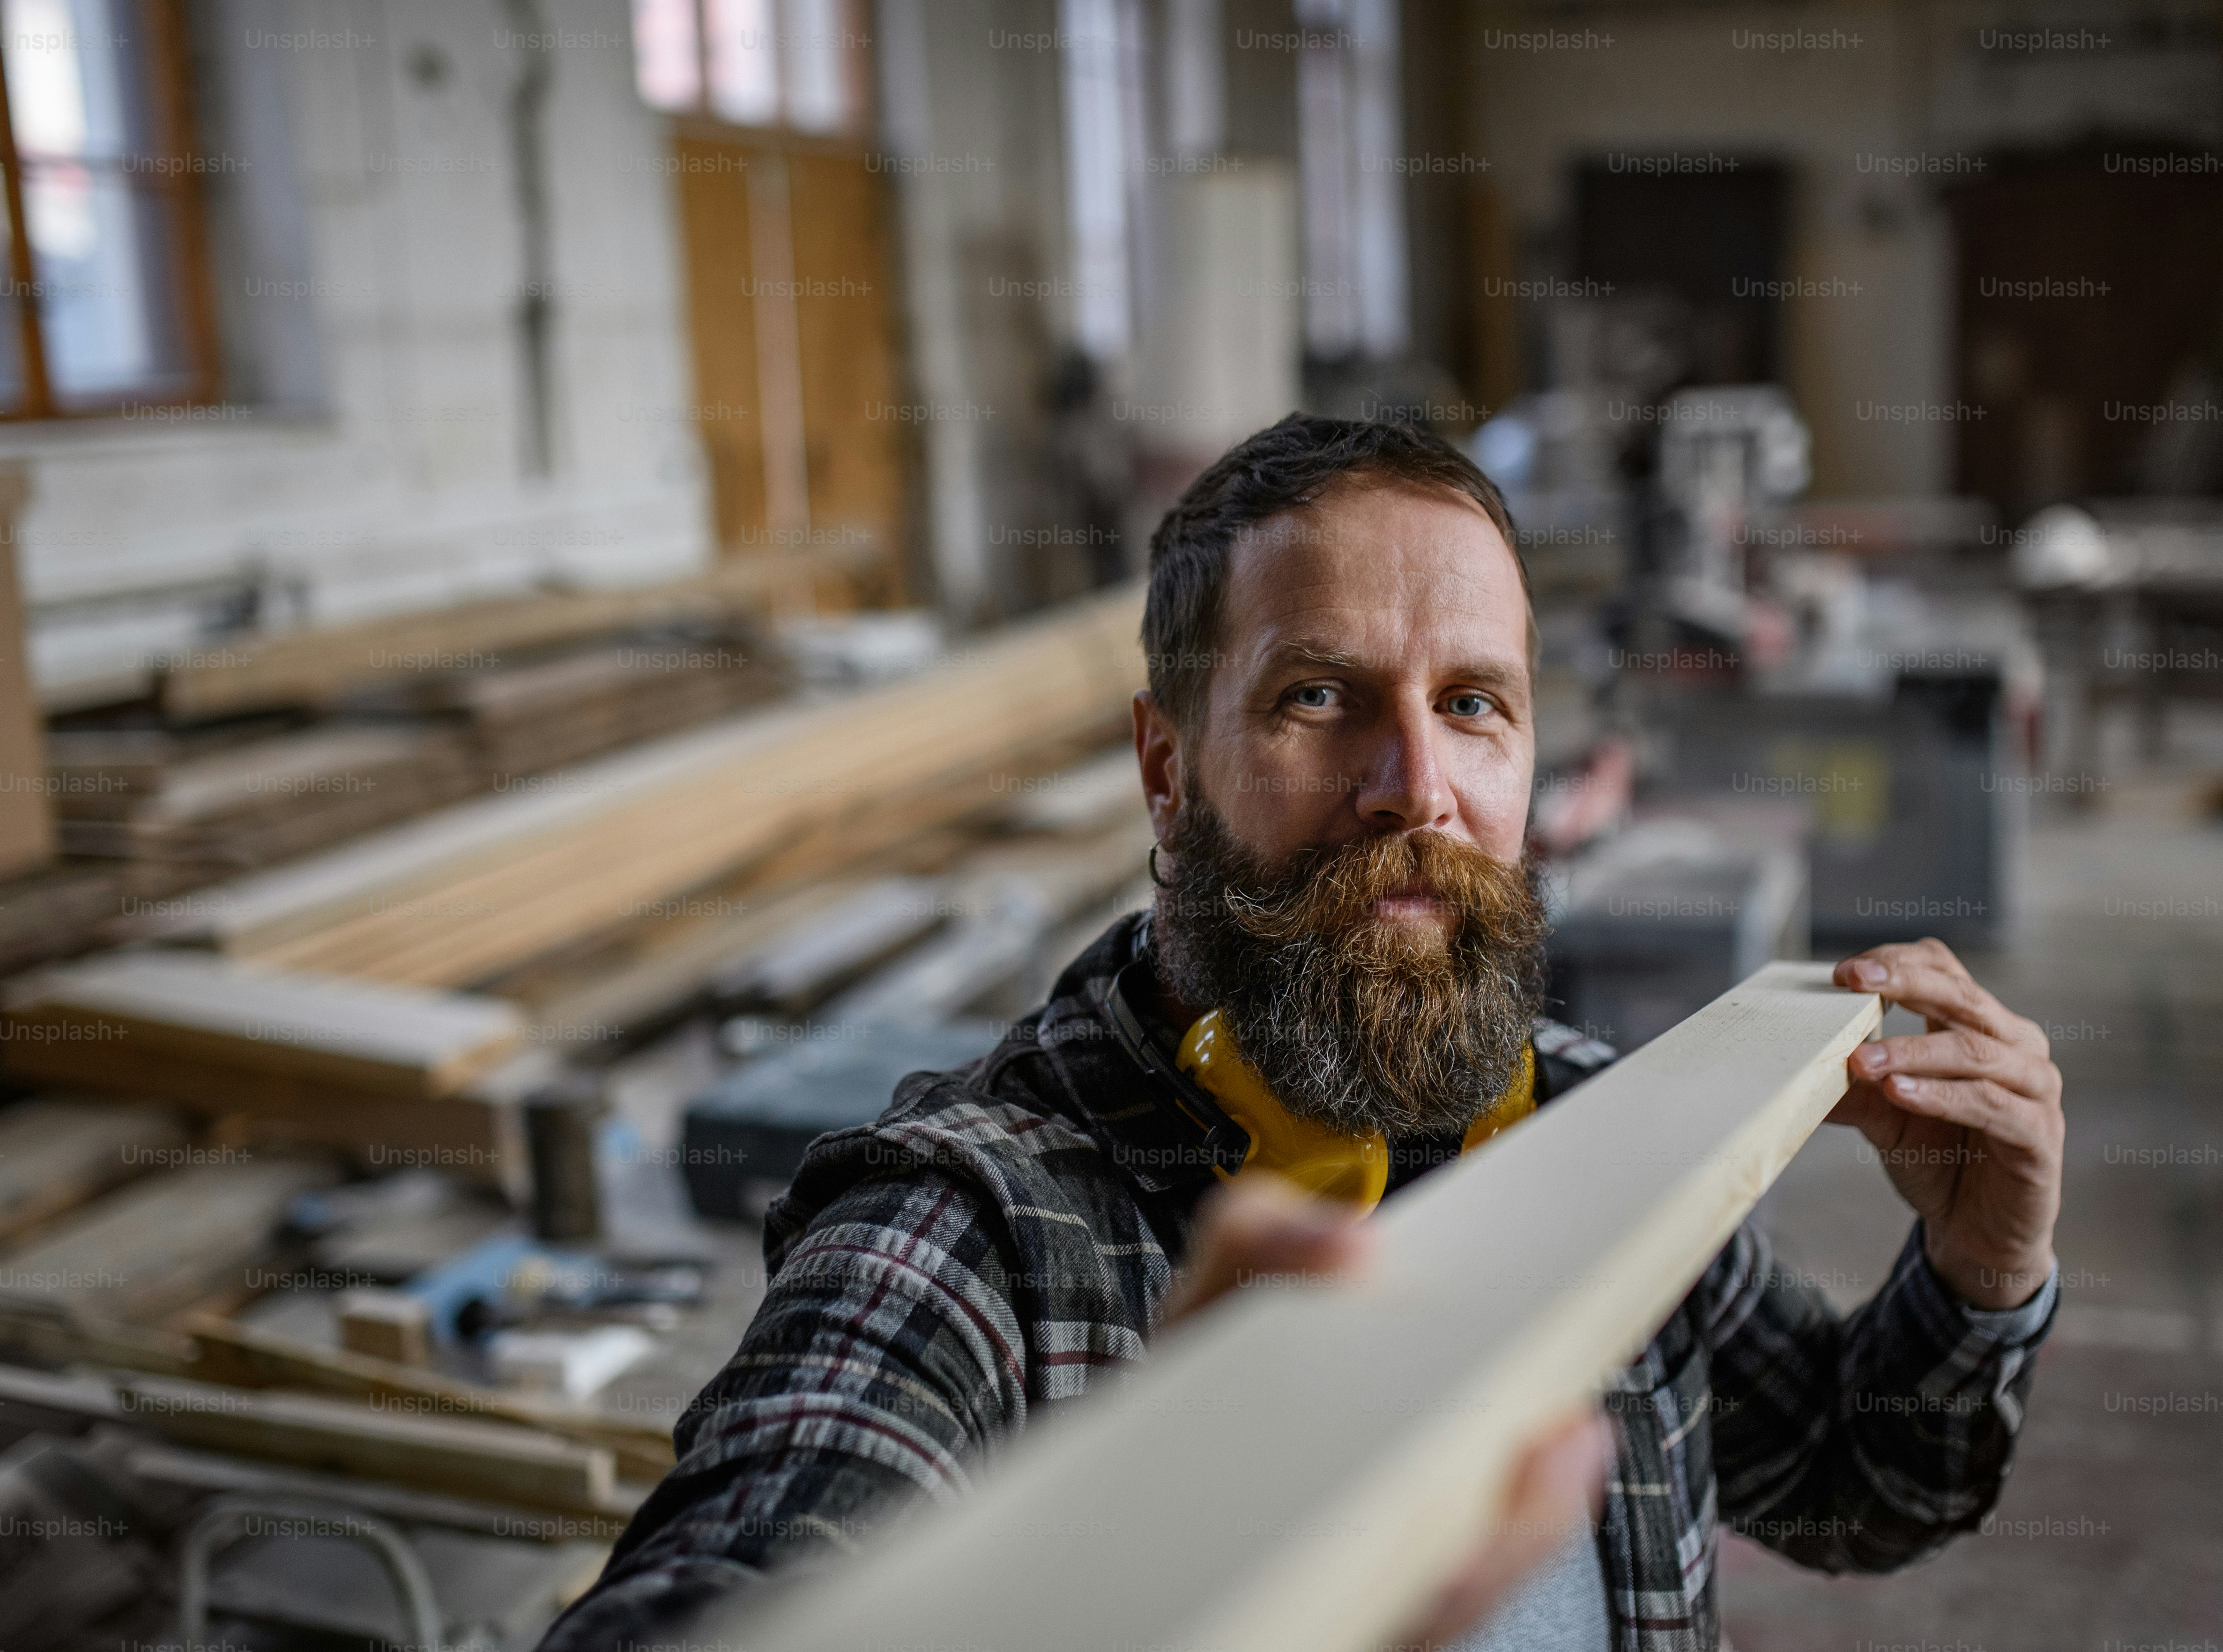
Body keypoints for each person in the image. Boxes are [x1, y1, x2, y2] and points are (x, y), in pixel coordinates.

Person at [539, 415, 2066, 1652]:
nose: (1415, 785)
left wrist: (1975, 1277)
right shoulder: (976, 1236)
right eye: (1319, 696)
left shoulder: (1597, 1132)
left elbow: (1850, 1487)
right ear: (1164, 766)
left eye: (1473, 704)